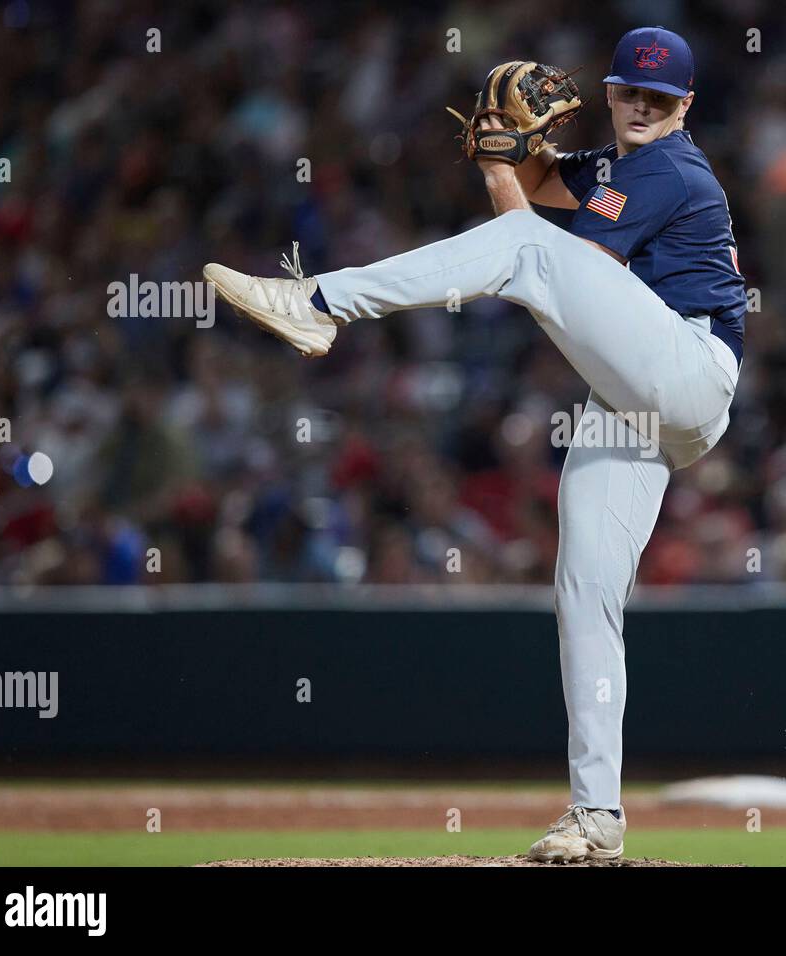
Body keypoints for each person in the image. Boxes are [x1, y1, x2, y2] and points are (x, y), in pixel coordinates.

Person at [203, 26, 747, 860]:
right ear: (609, 92)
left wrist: (501, 169)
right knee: (586, 589)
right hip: (636, 394)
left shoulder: (671, 170)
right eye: (631, 91)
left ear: (686, 107)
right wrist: (509, 152)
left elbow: (549, 254)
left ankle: (317, 304)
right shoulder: (613, 165)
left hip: (690, 365)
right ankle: (597, 816)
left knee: (526, 247)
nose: (643, 105)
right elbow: (548, 189)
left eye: (660, 97)